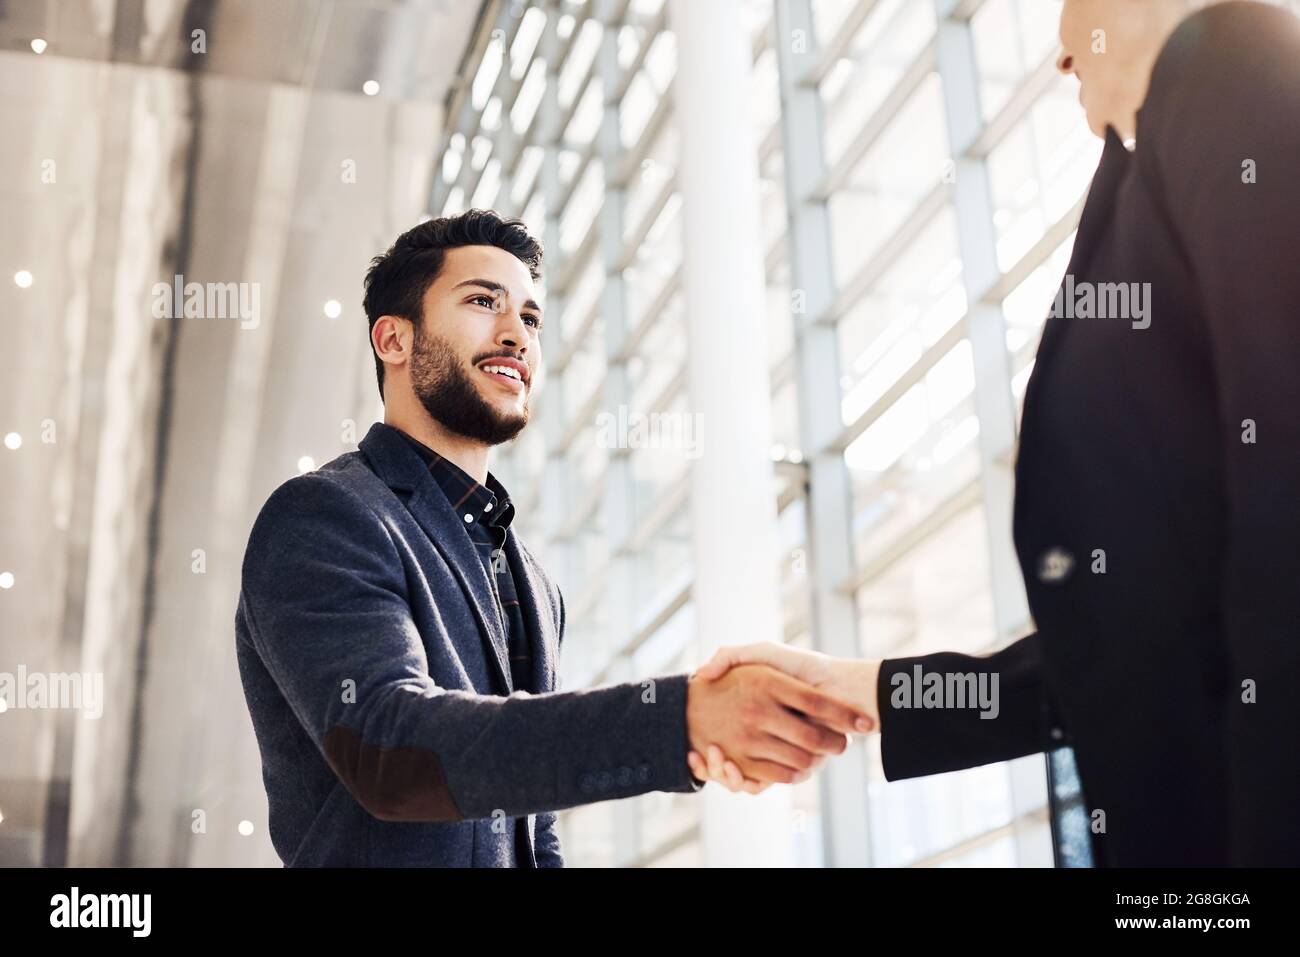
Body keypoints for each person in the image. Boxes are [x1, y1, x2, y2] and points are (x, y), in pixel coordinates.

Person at [691, 0, 1300, 867]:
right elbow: (1146, 640)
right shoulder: (1143, 171)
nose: (1059, 49)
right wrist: (874, 691)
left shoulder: (1237, 71)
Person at [234, 210, 872, 867]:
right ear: (393, 340)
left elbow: (532, 833)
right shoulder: (324, 515)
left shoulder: (533, 582)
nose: (517, 335)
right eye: (484, 301)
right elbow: (389, 750)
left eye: (532, 319)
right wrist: (680, 719)